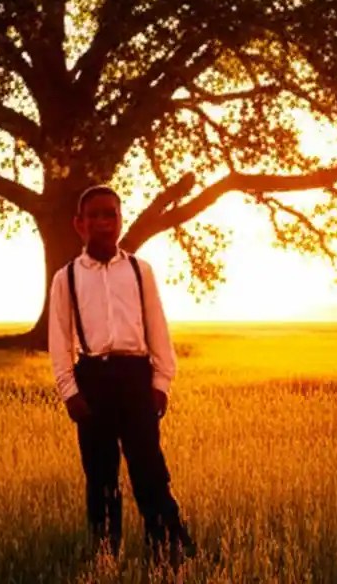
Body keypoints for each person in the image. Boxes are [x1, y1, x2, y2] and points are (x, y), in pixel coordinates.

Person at [47, 184, 196, 566]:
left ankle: (167, 550)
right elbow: (60, 339)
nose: (102, 221)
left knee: (150, 468)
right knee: (100, 476)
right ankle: (105, 556)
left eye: (110, 214)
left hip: (135, 377)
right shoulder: (66, 277)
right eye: (94, 215)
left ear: (119, 220)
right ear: (79, 224)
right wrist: (70, 392)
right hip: (92, 378)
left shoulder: (139, 270)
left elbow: (157, 327)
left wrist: (161, 382)